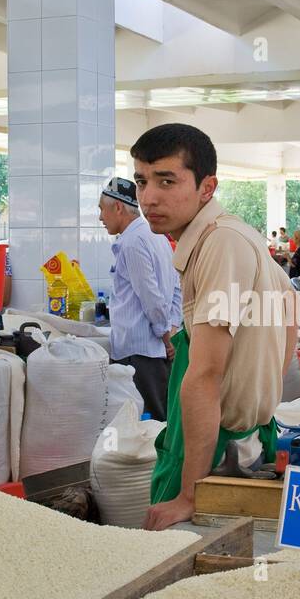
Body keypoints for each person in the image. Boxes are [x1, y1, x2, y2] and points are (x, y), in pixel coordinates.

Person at [132, 123, 296, 531]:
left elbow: (205, 373)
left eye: (167, 181)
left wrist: (192, 493)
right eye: (142, 181)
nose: (149, 197)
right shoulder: (229, 235)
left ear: (207, 187)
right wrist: (259, 389)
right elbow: (290, 311)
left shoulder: (221, 243)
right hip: (231, 438)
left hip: (215, 452)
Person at [99, 176, 180, 421]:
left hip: (139, 353)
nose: (100, 217)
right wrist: (172, 330)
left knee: (144, 426)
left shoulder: (133, 242)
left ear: (118, 208)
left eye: (102, 209)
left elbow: (150, 297)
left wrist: (166, 335)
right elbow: (177, 288)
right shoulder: (158, 236)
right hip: (154, 350)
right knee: (158, 421)